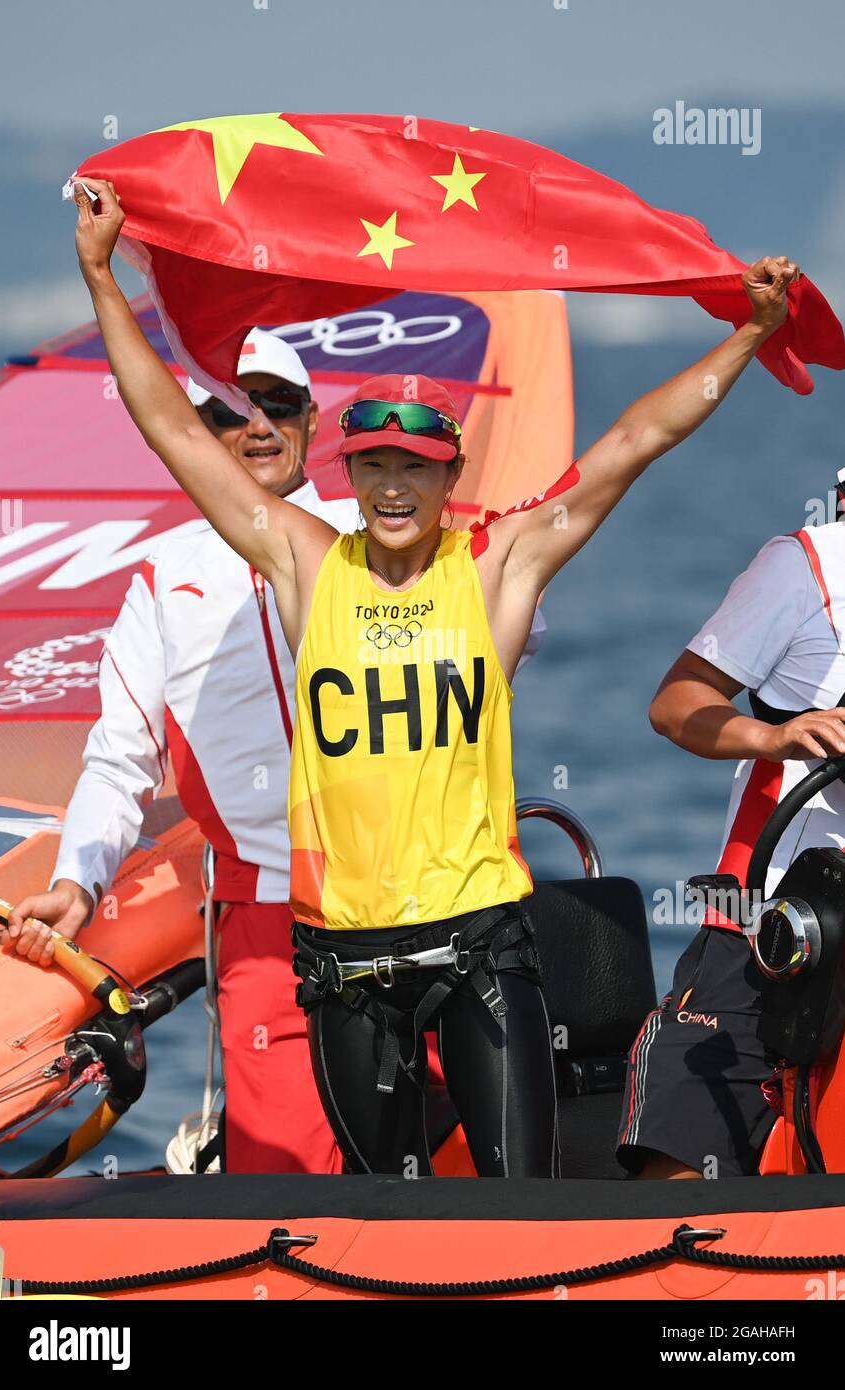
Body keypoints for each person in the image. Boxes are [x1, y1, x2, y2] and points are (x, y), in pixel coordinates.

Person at [64, 173, 799, 1178]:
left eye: (415, 465)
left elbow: (634, 442)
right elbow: (175, 429)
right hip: (343, 959)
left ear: (450, 477)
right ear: (351, 474)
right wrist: (102, 275)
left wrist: (747, 334)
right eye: (374, 465)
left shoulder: (495, 567)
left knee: (515, 1210)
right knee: (381, 1217)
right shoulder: (304, 562)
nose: (393, 485)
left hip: (477, 948)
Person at [6, 330, 358, 1174]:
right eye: (227, 413)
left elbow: (504, 646)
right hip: (270, 915)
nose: (258, 426)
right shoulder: (164, 578)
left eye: (277, 404)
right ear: (195, 432)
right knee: (286, 1178)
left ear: (311, 419)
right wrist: (76, 881)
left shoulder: (374, 530)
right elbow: (119, 759)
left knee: (443, 1152)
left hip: (421, 893)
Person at [618, 503, 845, 1180]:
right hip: (770, 920)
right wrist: (773, 736)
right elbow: (676, 702)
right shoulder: (804, 565)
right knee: (682, 1139)